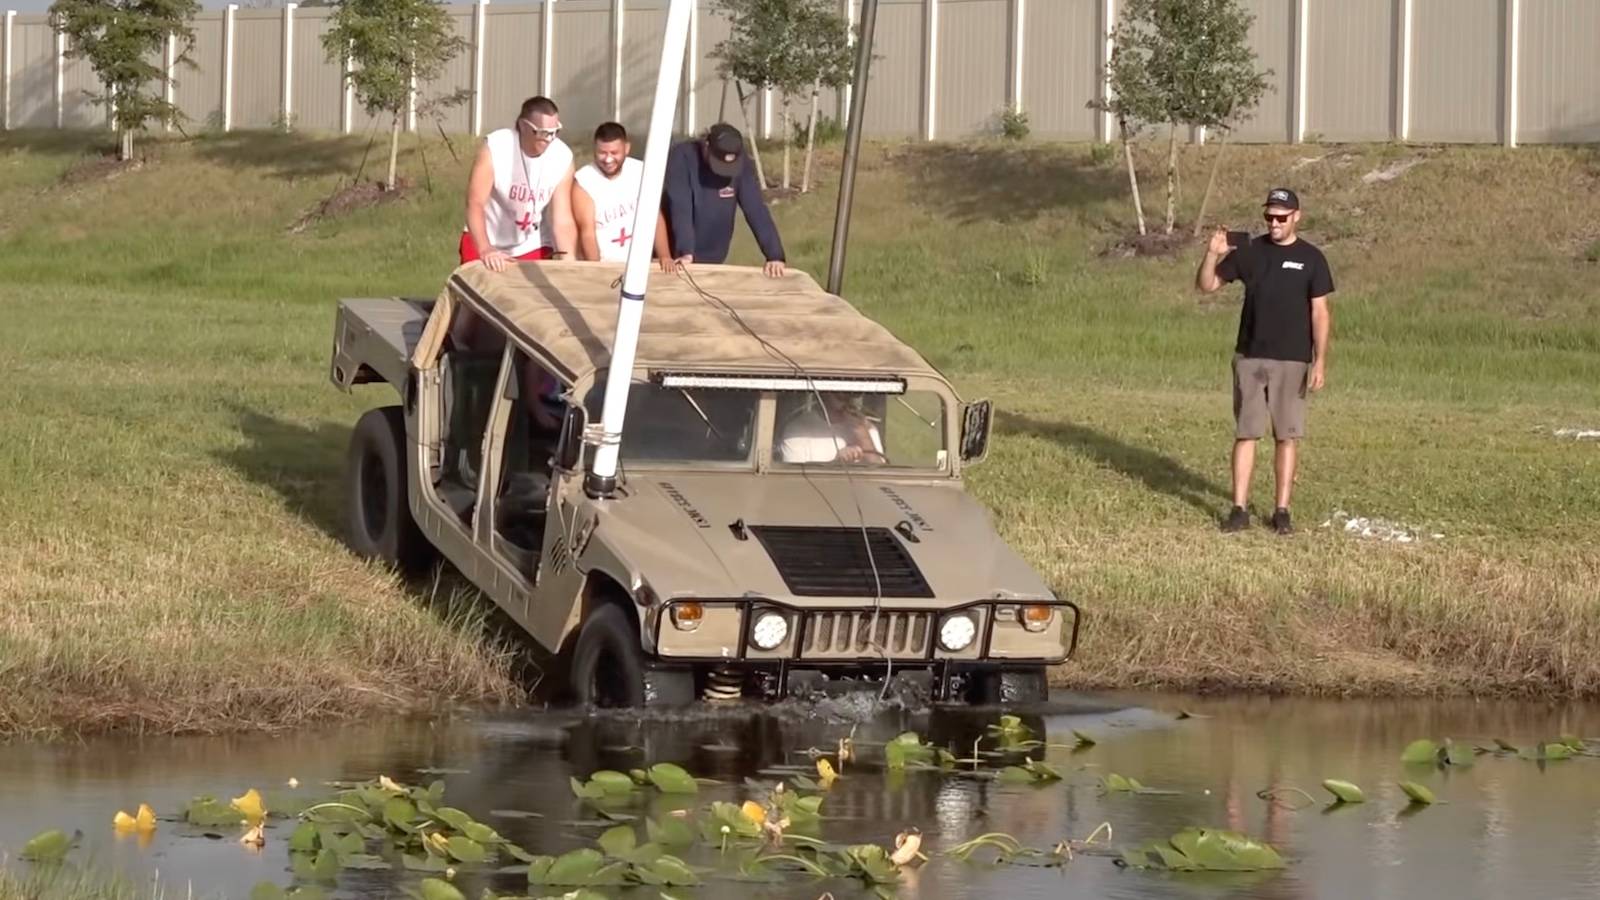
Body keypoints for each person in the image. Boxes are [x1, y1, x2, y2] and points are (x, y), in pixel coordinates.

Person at [1195, 187, 1334, 535]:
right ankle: (1239, 509)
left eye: (1281, 217)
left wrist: (1319, 361)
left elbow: (1320, 313)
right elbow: (1207, 286)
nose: (1274, 222)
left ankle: (1281, 510)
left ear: (1296, 217)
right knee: (1247, 433)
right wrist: (1212, 255)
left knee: (1286, 435)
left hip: (1293, 359)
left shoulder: (1312, 258)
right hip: (1251, 356)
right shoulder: (1251, 252)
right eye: (1269, 216)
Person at [454, 96, 577, 353]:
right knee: (475, 299)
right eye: (541, 132)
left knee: (534, 306)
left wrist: (568, 262)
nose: (548, 139)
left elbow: (562, 217)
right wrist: (486, 249)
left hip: (530, 240)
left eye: (554, 132)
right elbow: (475, 202)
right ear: (522, 125)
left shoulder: (562, 157)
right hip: (488, 236)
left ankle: (524, 361)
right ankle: (457, 347)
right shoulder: (496, 147)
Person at [661, 123, 786, 277]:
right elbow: (681, 208)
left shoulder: (741, 162)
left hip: (715, 254)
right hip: (676, 254)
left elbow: (755, 208)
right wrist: (685, 251)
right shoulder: (682, 157)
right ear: (706, 146)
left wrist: (774, 254)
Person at [572, 122, 673, 269]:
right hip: (605, 263)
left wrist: (665, 256)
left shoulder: (641, 171)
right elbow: (587, 232)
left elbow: (654, 216)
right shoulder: (584, 181)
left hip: (639, 263)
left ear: (626, 148)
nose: (608, 159)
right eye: (602, 153)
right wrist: (596, 268)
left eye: (614, 153)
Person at [777, 394, 886, 465]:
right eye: (838, 393)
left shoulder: (867, 429)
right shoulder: (797, 430)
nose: (846, 396)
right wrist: (836, 464)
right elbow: (795, 483)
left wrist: (863, 437)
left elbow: (881, 477)